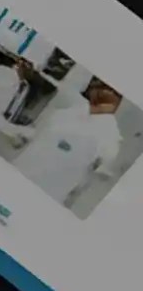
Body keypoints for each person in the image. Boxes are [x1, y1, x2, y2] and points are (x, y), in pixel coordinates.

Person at [12, 78, 124, 207]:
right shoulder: (66, 112)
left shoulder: (110, 138)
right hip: (18, 173)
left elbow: (89, 182)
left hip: (46, 196)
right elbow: (36, 136)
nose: (102, 90)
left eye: (112, 91)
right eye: (100, 85)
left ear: (118, 101)